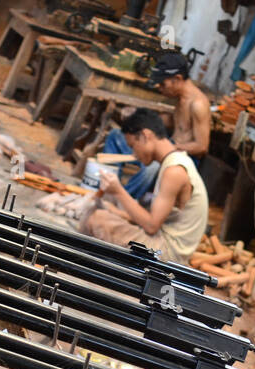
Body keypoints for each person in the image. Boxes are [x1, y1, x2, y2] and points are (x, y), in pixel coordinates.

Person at [80, 108, 209, 265]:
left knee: (97, 220)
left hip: (167, 253)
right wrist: (118, 209)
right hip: (163, 239)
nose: (134, 154)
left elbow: (151, 226)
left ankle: (84, 267)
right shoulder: (174, 161)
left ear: (146, 136)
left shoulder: (174, 171)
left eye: (133, 146)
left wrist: (119, 191)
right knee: (107, 205)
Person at [100, 50, 211, 199]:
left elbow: (202, 147)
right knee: (116, 137)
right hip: (170, 146)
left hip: (181, 156)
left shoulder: (198, 104)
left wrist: (170, 149)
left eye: (162, 84)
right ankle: (106, 187)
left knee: (152, 167)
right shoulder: (180, 97)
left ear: (177, 79)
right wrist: (138, 117)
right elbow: (174, 122)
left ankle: (123, 199)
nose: (160, 89)